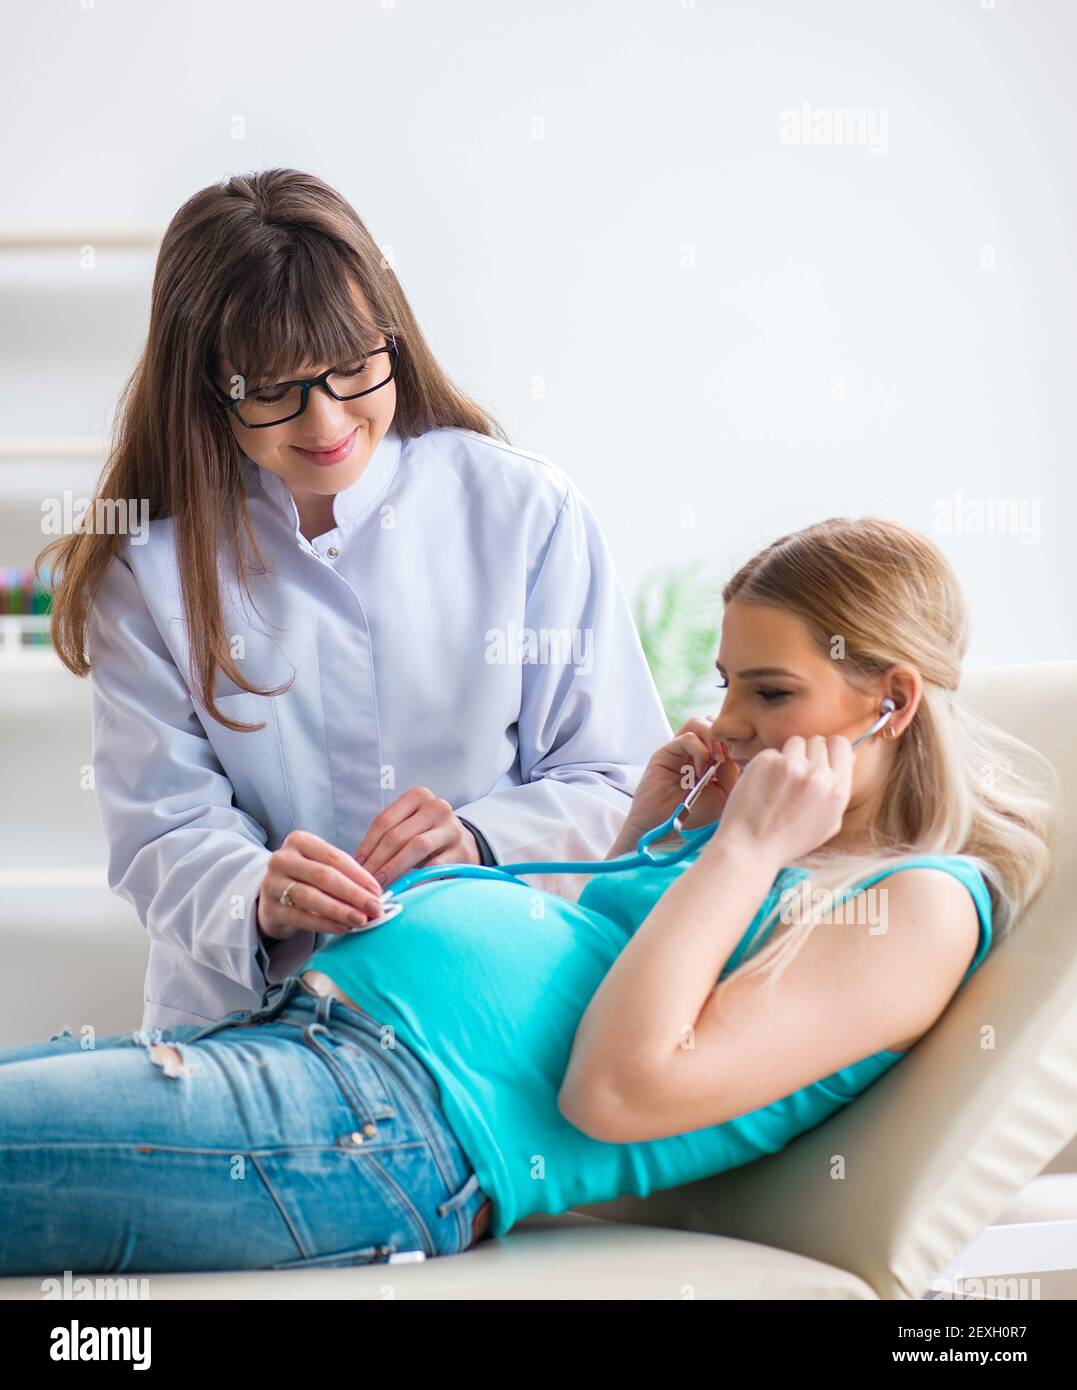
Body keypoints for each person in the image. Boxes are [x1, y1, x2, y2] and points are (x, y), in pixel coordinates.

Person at [1, 517, 1056, 1274]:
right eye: (727, 681)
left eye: (770, 692)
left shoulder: (920, 906)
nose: (727, 719)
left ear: (892, 704)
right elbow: (589, 980)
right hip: (308, 1044)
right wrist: (650, 839)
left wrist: (738, 852)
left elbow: (617, 1087)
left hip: (386, 1126)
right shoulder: (768, 855)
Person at [37, 168, 672, 1031]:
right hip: (241, 1023)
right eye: (272, 391)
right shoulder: (148, 567)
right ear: (206, 393)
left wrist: (484, 843)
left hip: (475, 1011)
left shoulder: (521, 511)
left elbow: (624, 782)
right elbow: (160, 831)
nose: (326, 422)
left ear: (391, 339)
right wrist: (256, 893)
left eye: (350, 369)